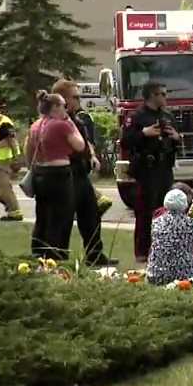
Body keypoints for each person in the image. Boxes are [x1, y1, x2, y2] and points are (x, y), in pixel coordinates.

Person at [53, 79, 116, 266]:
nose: (78, 100)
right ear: (62, 98)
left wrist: (92, 156)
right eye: (75, 97)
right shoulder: (56, 121)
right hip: (65, 174)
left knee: (91, 214)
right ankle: (59, 256)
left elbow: (85, 142)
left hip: (80, 173)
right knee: (63, 218)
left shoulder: (77, 119)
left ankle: (95, 255)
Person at [121, 80, 181, 262]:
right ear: (152, 95)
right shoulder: (137, 117)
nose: (166, 97)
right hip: (146, 170)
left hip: (164, 168)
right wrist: (143, 134)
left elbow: (175, 140)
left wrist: (176, 138)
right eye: (162, 94)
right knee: (146, 212)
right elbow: (126, 142)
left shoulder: (167, 116)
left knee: (167, 210)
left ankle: (165, 249)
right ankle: (143, 251)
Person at [26, 92, 87, 261]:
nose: (65, 110)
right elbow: (79, 145)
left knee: (43, 213)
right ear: (55, 107)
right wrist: (70, 123)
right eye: (63, 106)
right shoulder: (62, 125)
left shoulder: (36, 125)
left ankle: (38, 250)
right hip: (59, 173)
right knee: (61, 214)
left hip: (40, 172)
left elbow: (28, 150)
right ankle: (56, 252)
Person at [145, 188, 193, 285]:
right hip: (183, 276)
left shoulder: (156, 222)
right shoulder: (192, 224)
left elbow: (155, 248)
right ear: (185, 205)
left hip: (155, 275)